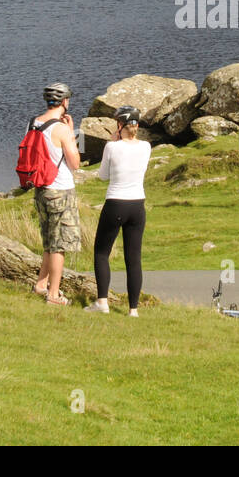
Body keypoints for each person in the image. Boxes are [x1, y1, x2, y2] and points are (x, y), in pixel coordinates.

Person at [85, 105, 151, 317]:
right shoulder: (146, 147)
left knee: (102, 253)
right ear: (137, 126)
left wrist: (111, 143)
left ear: (119, 125)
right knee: (134, 258)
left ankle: (102, 302)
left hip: (116, 203)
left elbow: (102, 176)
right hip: (137, 205)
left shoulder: (112, 147)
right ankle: (133, 310)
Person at [31, 82, 82, 306]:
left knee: (48, 241)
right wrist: (71, 134)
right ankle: (53, 294)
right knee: (59, 244)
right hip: (60, 190)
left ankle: (41, 285)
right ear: (64, 102)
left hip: (41, 189)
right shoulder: (61, 129)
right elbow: (75, 162)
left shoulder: (34, 123)